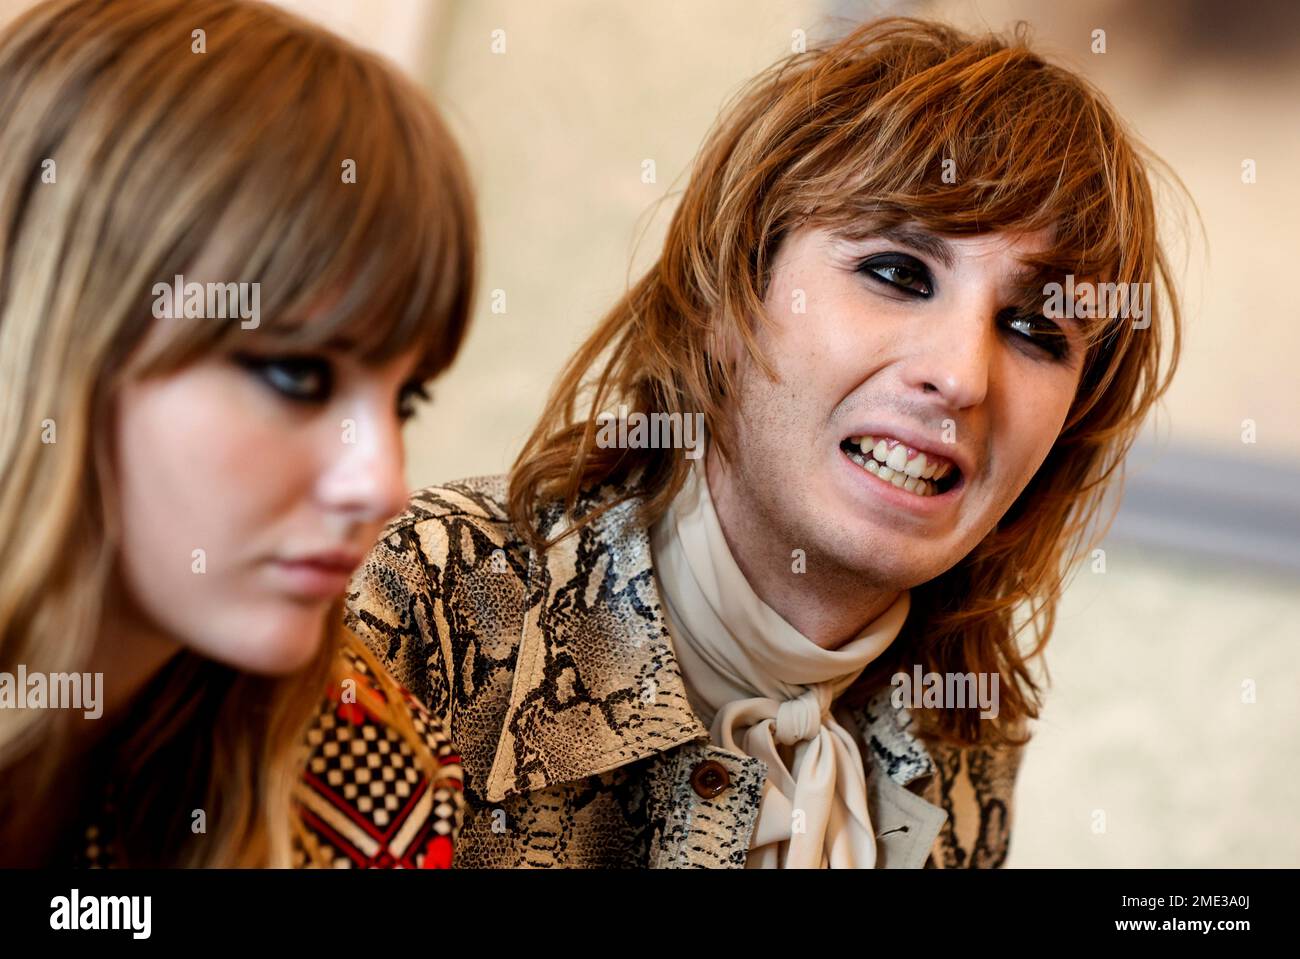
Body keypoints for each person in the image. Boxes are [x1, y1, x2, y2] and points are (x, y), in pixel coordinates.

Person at [345, 16, 1184, 867]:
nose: (964, 376)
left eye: (1036, 328)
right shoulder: (424, 594)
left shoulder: (961, 742)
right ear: (728, 298)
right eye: (898, 273)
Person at [0, 0, 477, 867]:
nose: (383, 483)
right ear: (56, 334)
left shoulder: (362, 780)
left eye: (403, 401)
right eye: (296, 375)